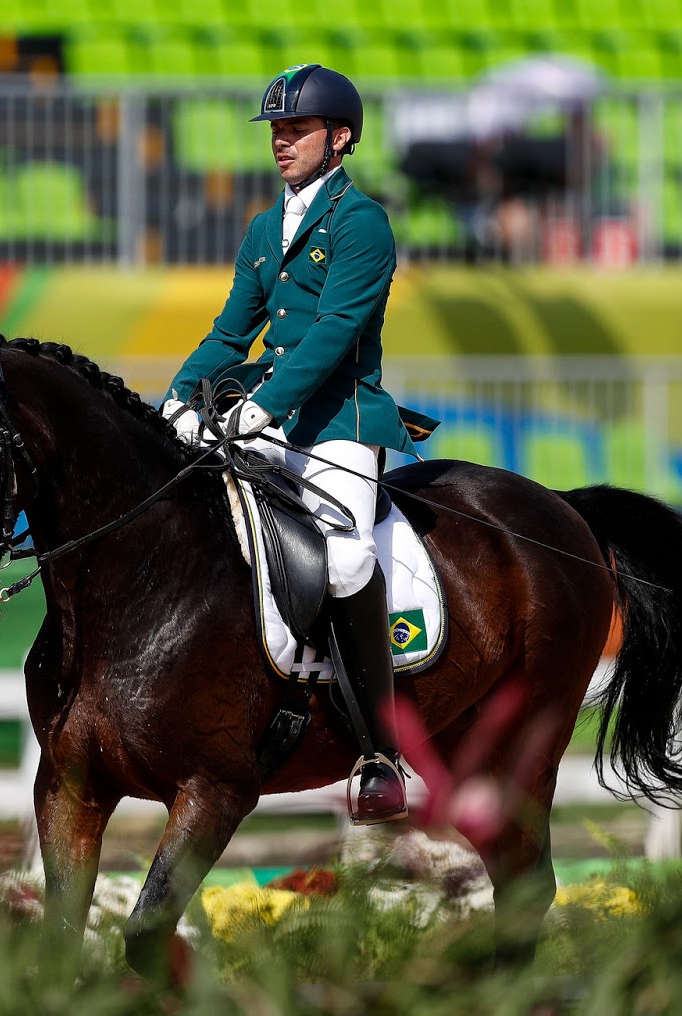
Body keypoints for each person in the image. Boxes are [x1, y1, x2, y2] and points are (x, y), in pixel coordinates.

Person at [160, 64, 416, 825]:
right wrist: (177, 396)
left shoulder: (361, 222)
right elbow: (231, 330)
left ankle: (378, 752)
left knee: (345, 557)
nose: (281, 141)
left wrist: (263, 406)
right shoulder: (262, 228)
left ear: (339, 138)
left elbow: (336, 334)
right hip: (266, 418)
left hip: (339, 423)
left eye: (296, 129)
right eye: (276, 130)